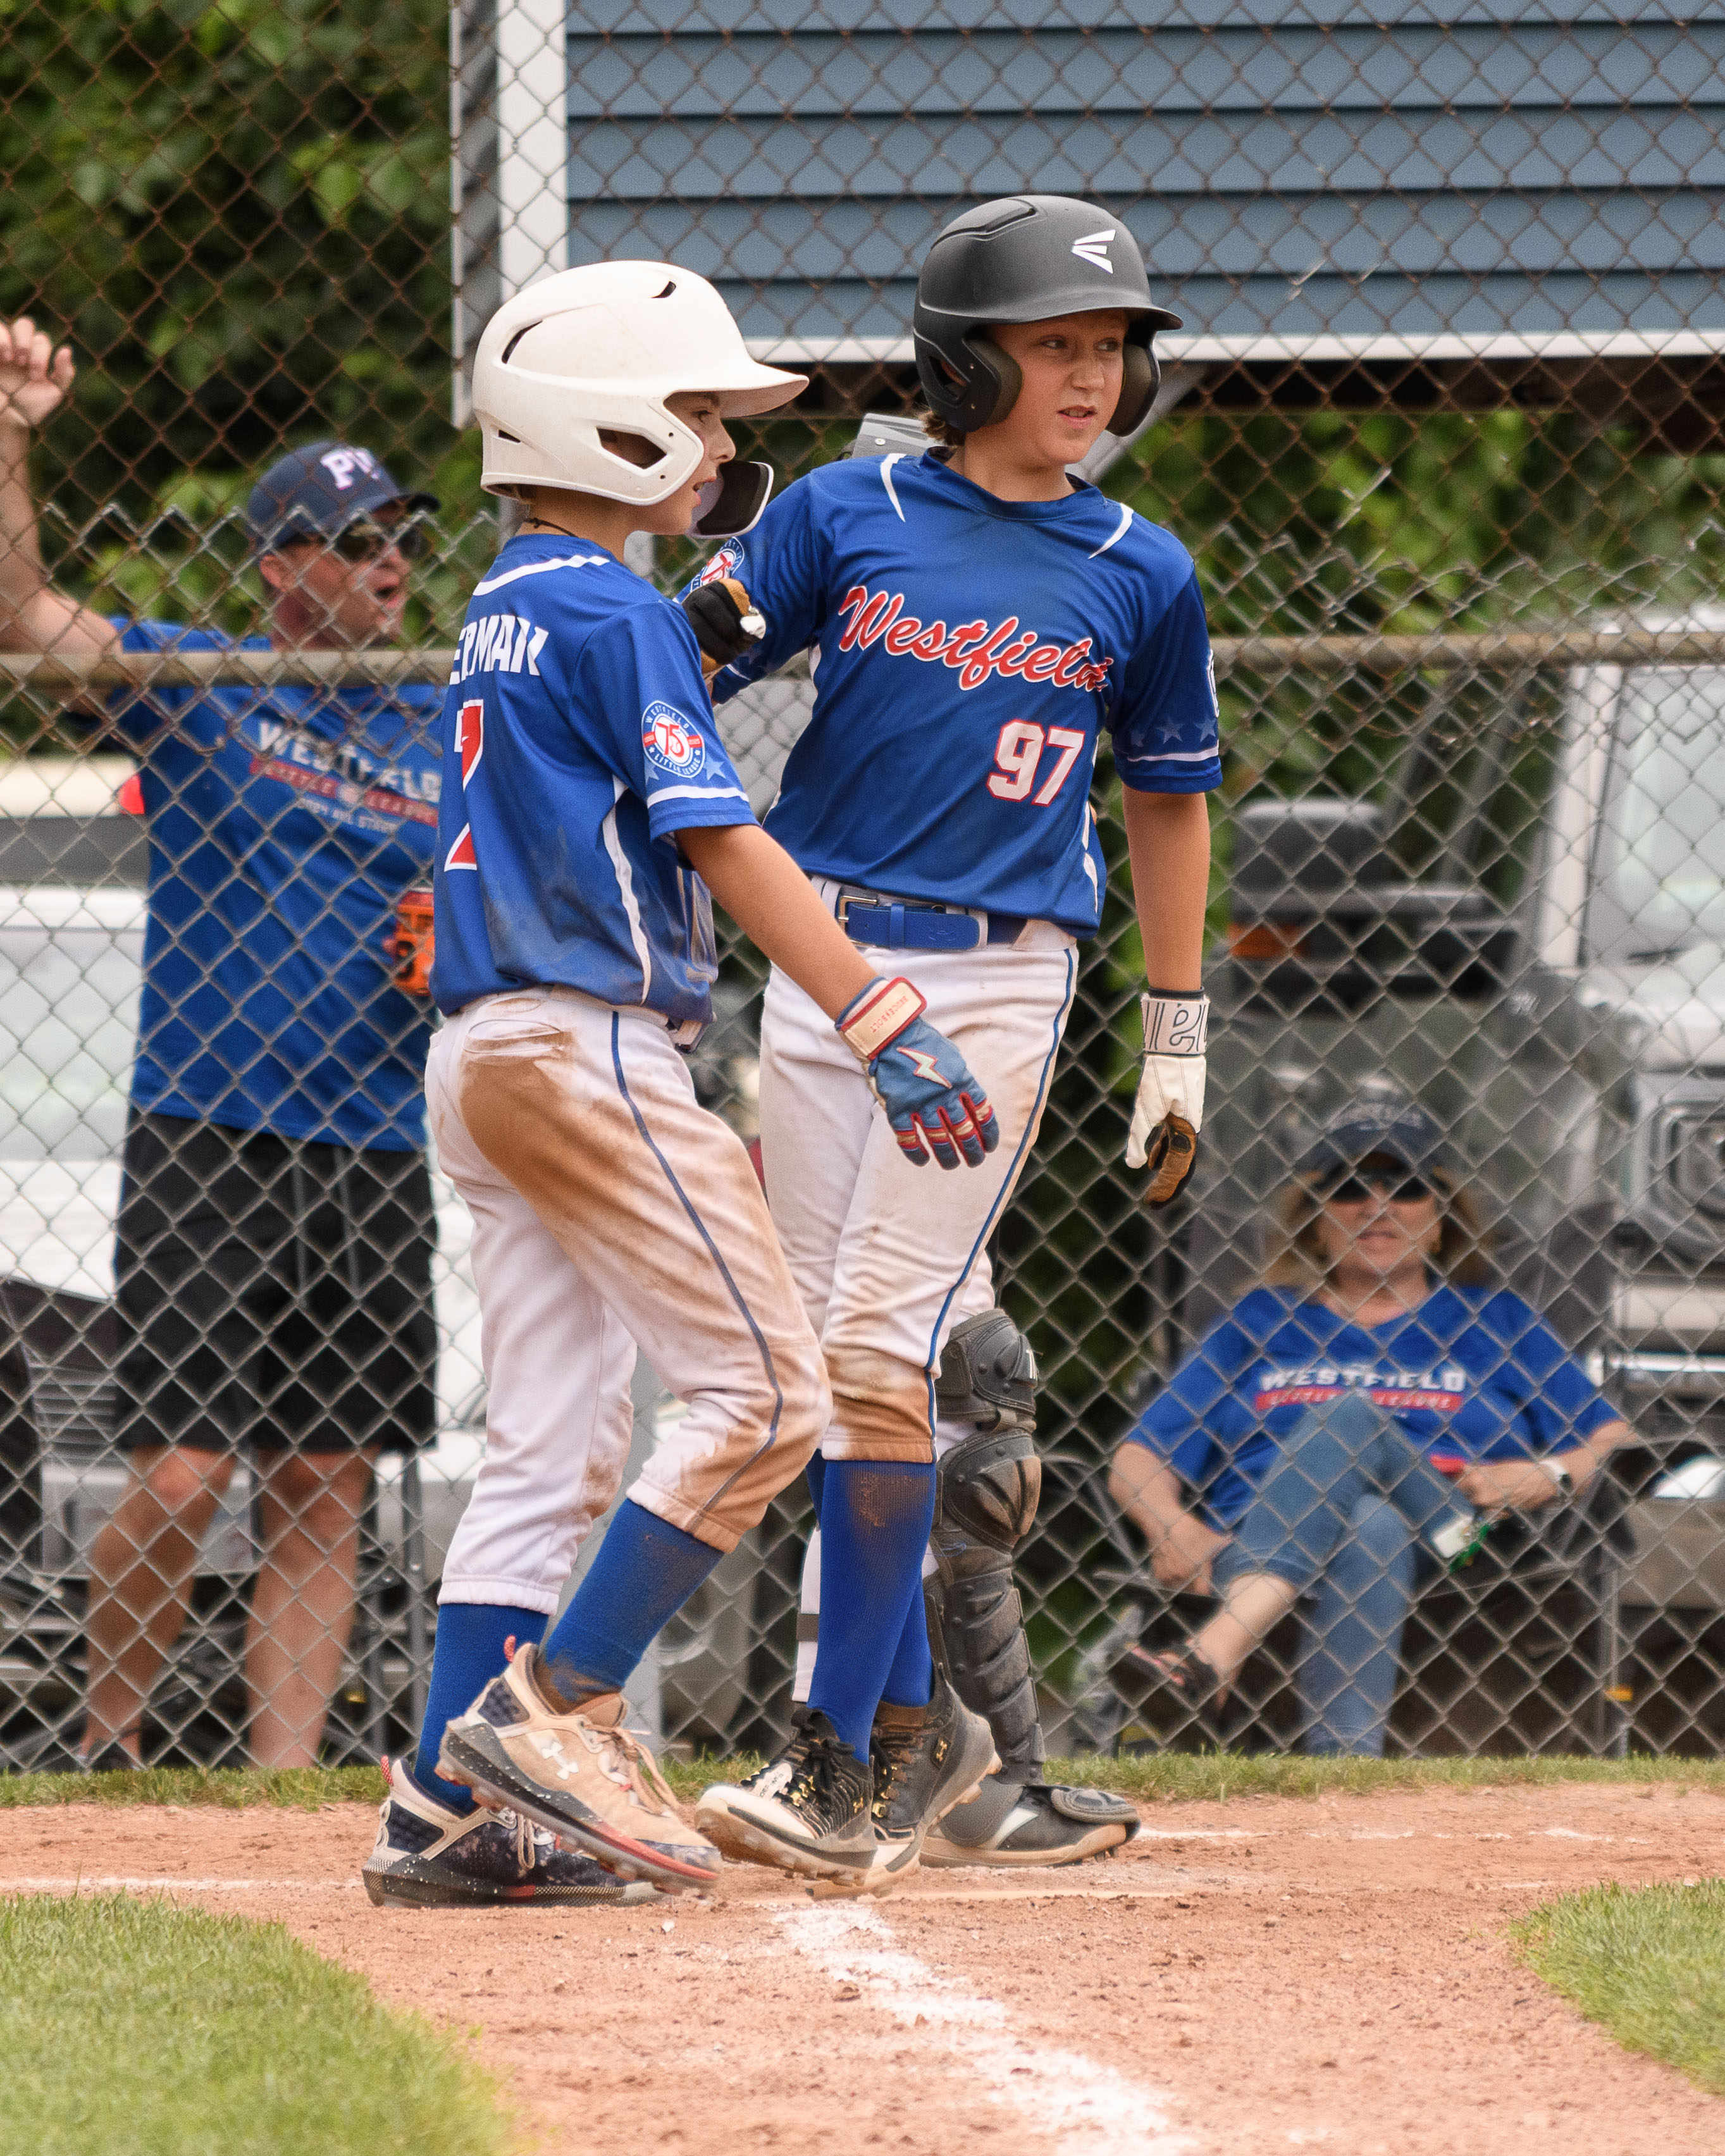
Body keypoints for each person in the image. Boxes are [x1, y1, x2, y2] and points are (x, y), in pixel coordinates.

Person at [363, 259, 999, 1907]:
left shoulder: (512, 596)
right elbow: (715, 832)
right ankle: (548, 1717)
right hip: (584, 1048)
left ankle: (446, 1810)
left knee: (550, 1448)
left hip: (484, 1059)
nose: (720, 446)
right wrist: (872, 1006)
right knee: (771, 1400)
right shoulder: (610, 607)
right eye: (701, 416)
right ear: (617, 429)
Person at [689, 195, 1217, 1873]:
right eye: (1052, 344)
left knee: (873, 1350)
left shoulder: (1136, 568)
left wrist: (1177, 1033)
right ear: (958, 358)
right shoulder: (848, 510)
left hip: (991, 987)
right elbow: (667, 669)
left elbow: (1166, 801)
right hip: (817, 965)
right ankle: (922, 1756)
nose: (1088, 375)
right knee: (835, 1369)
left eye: (1107, 348)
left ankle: (839, 1766)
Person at [0, 316, 450, 1774]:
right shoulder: (205, 687)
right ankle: (112, 1740)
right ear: (279, 570)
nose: (387, 559)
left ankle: (279, 1790)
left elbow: (523, 882)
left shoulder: (446, 720)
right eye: (350, 538)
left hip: (376, 1135)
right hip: (209, 1131)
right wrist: (13, 435)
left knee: (325, 1473)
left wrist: (468, 921)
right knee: (186, 1470)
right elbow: (25, 619)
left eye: (398, 535)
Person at [1106, 1100, 1632, 1755]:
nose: (1376, 1206)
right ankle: (1344, 1768)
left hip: (1457, 1542)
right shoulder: (1261, 1318)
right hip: (1251, 1543)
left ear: (1440, 1220)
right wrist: (1172, 1526)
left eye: (1406, 1187)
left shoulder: (1497, 1319)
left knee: (1351, 1413)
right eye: (1350, 1187)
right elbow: (1138, 1455)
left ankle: (1211, 1654)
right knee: (1368, 1522)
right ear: (1318, 1220)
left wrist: (1548, 1473)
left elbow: (1614, 1440)